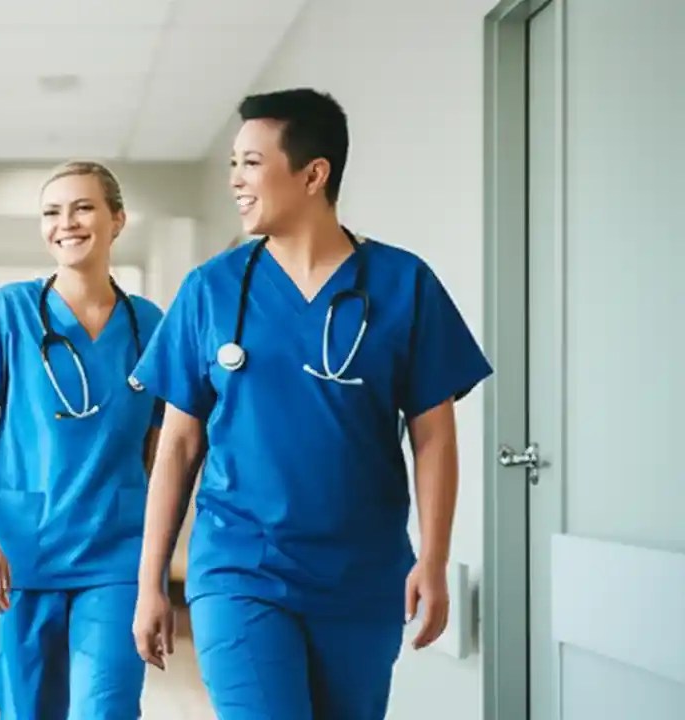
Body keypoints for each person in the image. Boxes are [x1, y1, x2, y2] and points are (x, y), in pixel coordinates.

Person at [129, 88, 493, 719]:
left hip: (362, 575)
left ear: (313, 173)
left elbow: (433, 435)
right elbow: (179, 444)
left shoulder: (404, 285)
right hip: (241, 567)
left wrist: (432, 562)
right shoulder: (211, 290)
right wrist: (149, 581)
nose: (235, 181)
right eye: (232, 164)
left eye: (250, 162)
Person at [0, 161, 165, 719]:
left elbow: (158, 444)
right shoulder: (9, 309)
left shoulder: (149, 324)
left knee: (107, 709)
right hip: (20, 552)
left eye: (83, 207)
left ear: (117, 219)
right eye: (51, 212)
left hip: (117, 555)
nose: (65, 223)